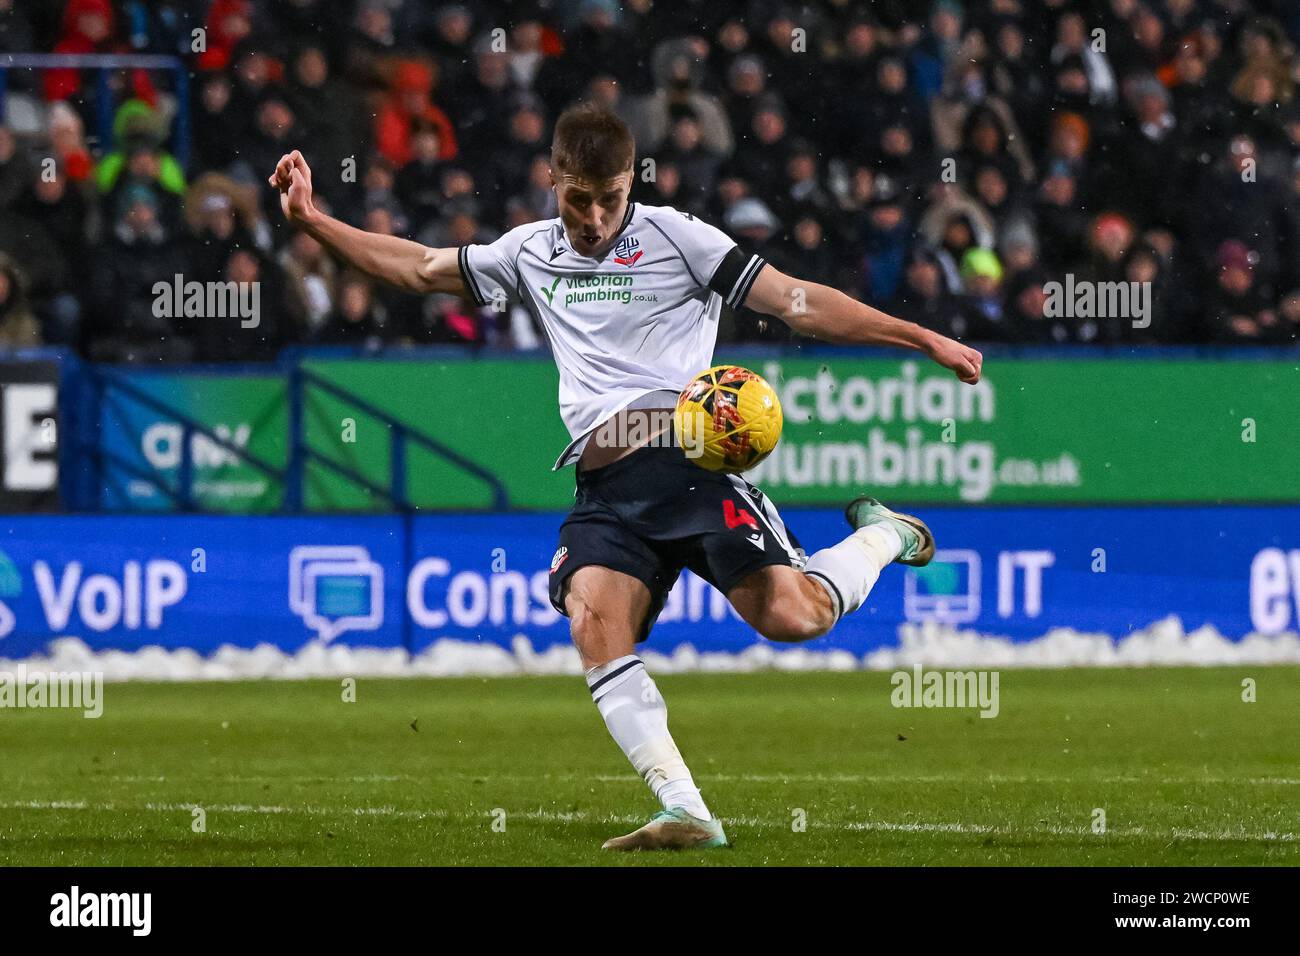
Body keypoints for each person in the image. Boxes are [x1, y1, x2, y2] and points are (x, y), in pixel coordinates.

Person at [268, 104, 983, 851]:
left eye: (611, 197)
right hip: (604, 487)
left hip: (691, 466)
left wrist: (920, 335)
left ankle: (880, 536)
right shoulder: (530, 251)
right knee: (594, 621)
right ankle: (688, 810)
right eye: (579, 198)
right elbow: (417, 267)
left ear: (631, 181)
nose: (596, 216)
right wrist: (313, 218)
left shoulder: (678, 237)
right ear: (553, 181)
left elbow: (796, 301)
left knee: (792, 617)